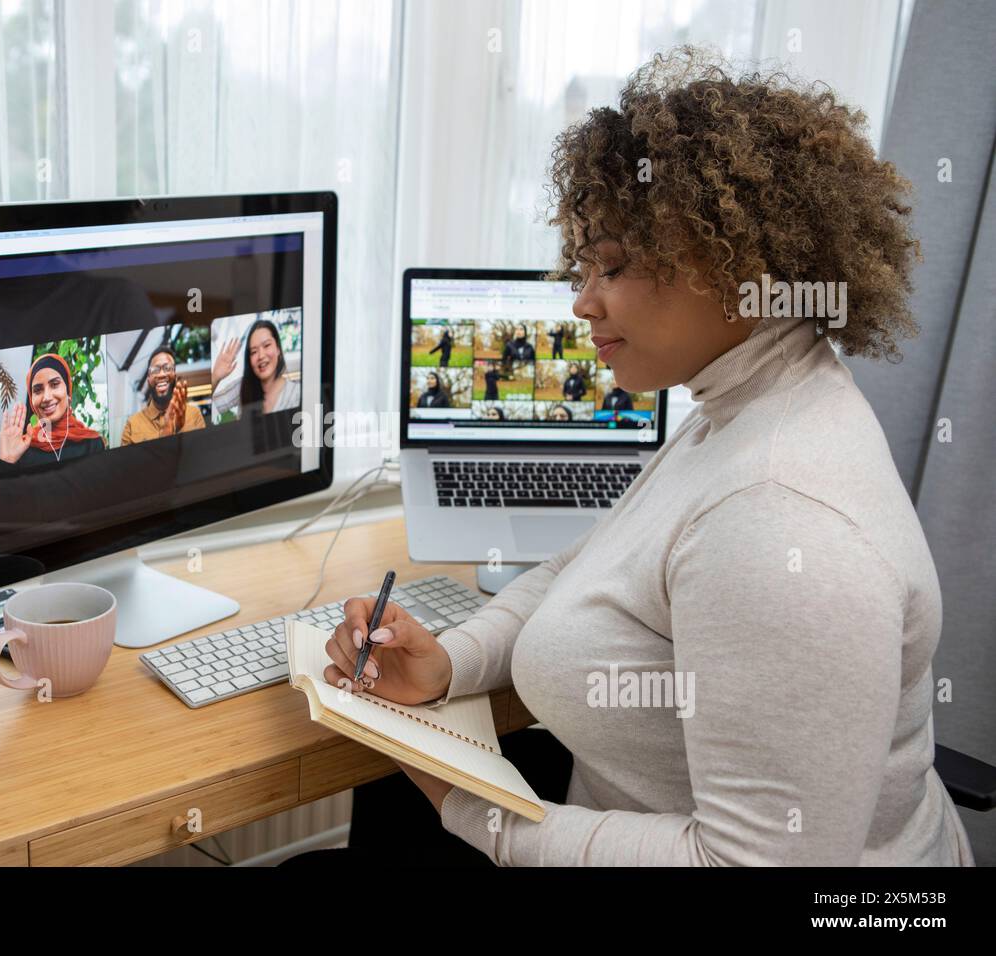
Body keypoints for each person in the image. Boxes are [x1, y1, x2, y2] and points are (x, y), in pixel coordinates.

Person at [289, 47, 973, 867]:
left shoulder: (781, 515)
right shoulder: (742, 404)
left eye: (611, 266)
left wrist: (474, 813)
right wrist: (448, 664)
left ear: (738, 264)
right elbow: (574, 571)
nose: (581, 302)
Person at [0, 352, 104, 475]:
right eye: (38, 390)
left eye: (55, 385)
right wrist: (6, 461)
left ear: (68, 390)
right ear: (31, 398)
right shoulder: (21, 449)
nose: (46, 397)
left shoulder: (92, 444)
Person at [211, 319, 301, 418]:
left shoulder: (297, 392)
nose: (261, 356)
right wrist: (215, 376)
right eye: (254, 352)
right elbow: (213, 405)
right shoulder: (242, 386)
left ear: (278, 349)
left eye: (266, 345)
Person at [120, 345, 206, 445]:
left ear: (175, 375)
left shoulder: (194, 415)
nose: (161, 374)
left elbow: (202, 456)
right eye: (155, 370)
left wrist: (179, 432)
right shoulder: (132, 424)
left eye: (167, 368)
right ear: (148, 378)